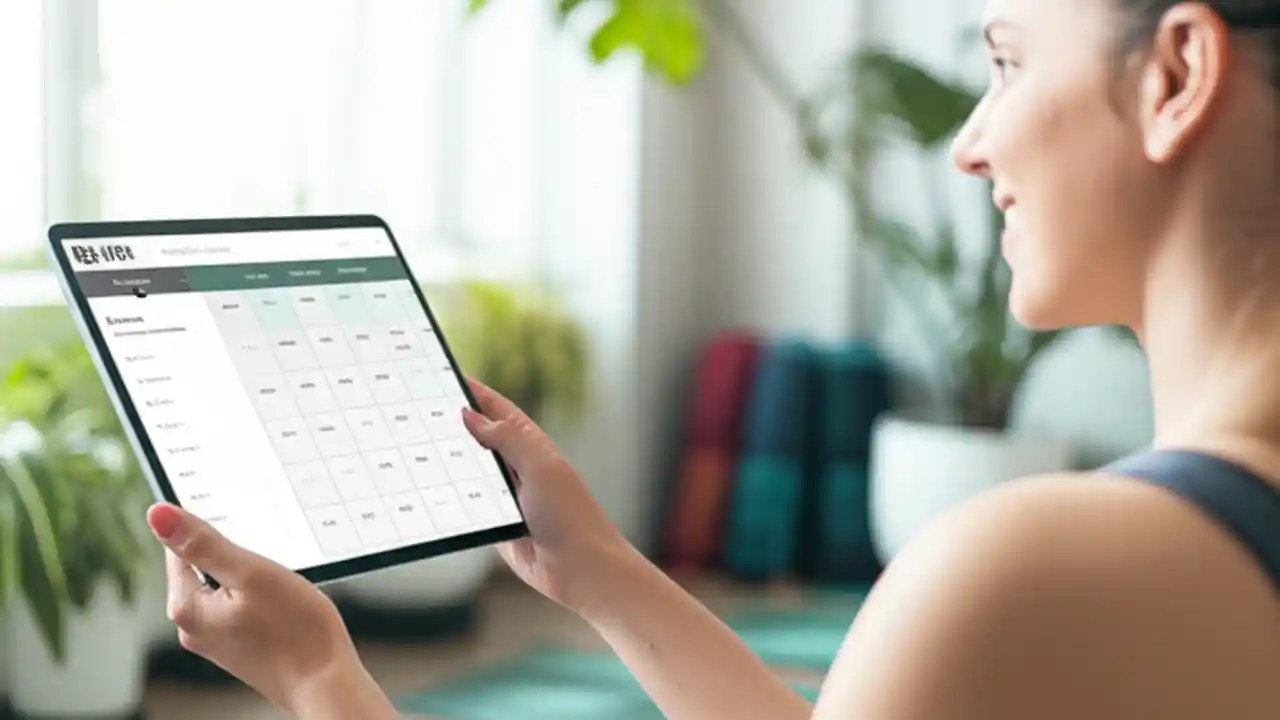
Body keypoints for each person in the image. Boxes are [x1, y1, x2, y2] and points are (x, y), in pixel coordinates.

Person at [144, 0, 1280, 717]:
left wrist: (317, 681)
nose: (971, 147)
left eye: (1007, 61)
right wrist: (598, 571)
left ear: (1173, 73)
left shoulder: (1023, 576)